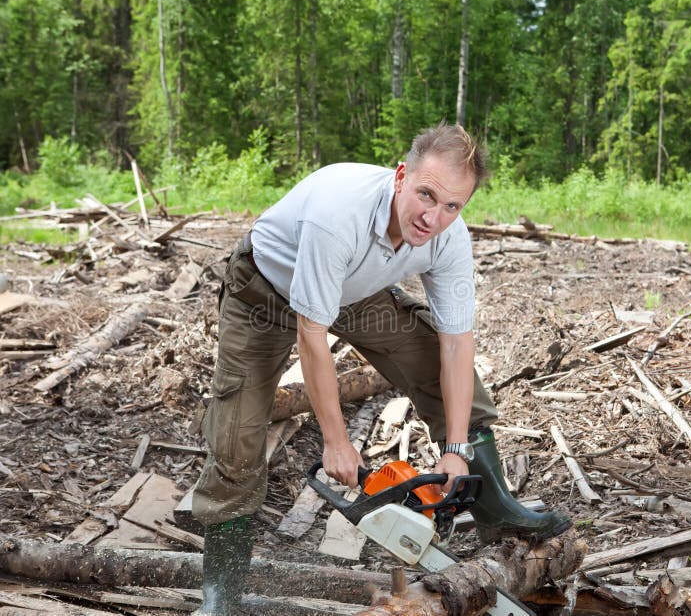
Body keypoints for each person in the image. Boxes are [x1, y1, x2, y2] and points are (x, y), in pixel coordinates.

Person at [190, 124, 571, 615]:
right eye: (426, 195)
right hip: (263, 291)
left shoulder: (447, 237)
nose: (433, 217)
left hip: (353, 291)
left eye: (453, 206)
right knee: (238, 438)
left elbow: (457, 344)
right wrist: (336, 440)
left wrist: (454, 450)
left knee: (432, 356)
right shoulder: (339, 214)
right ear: (400, 176)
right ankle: (220, 598)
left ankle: (493, 505)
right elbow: (312, 333)